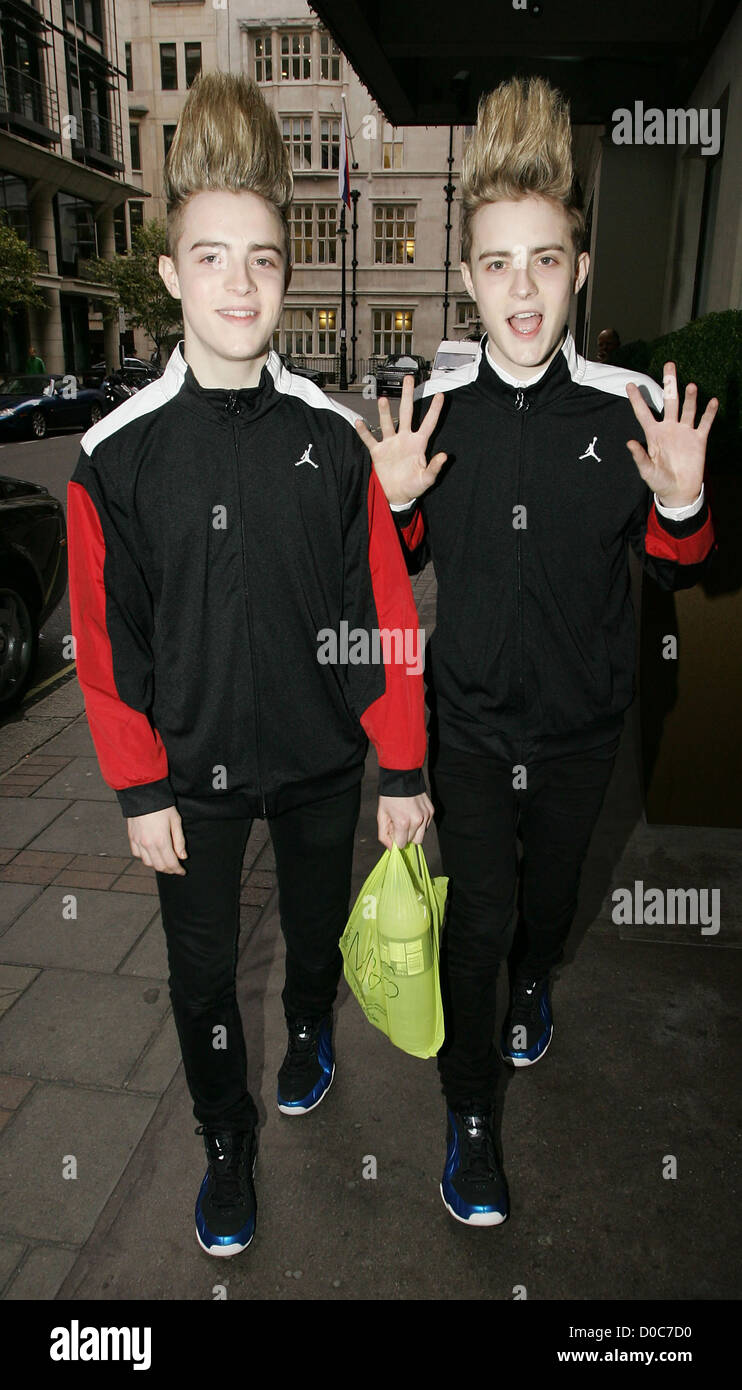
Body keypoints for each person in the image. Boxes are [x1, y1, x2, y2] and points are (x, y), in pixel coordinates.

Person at [66, 72, 432, 1258]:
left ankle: (314, 1028)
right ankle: (226, 1143)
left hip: (326, 768)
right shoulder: (115, 460)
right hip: (193, 785)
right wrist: (137, 788)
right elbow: (107, 644)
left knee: (312, 942)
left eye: (264, 259)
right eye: (211, 257)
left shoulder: (330, 445)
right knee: (205, 978)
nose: (238, 283)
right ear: (168, 270)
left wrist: (402, 768)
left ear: (287, 272)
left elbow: (378, 618)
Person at [356, 76, 717, 1228]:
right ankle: (469, 1120)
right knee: (477, 917)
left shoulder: (623, 410)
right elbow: (393, 561)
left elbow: (678, 565)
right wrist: (396, 504)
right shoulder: (436, 410)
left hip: (578, 733)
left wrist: (680, 503)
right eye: (499, 263)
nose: (523, 287)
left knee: (543, 912)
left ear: (579, 271)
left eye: (545, 260)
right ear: (466, 277)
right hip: (465, 725)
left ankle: (534, 982)